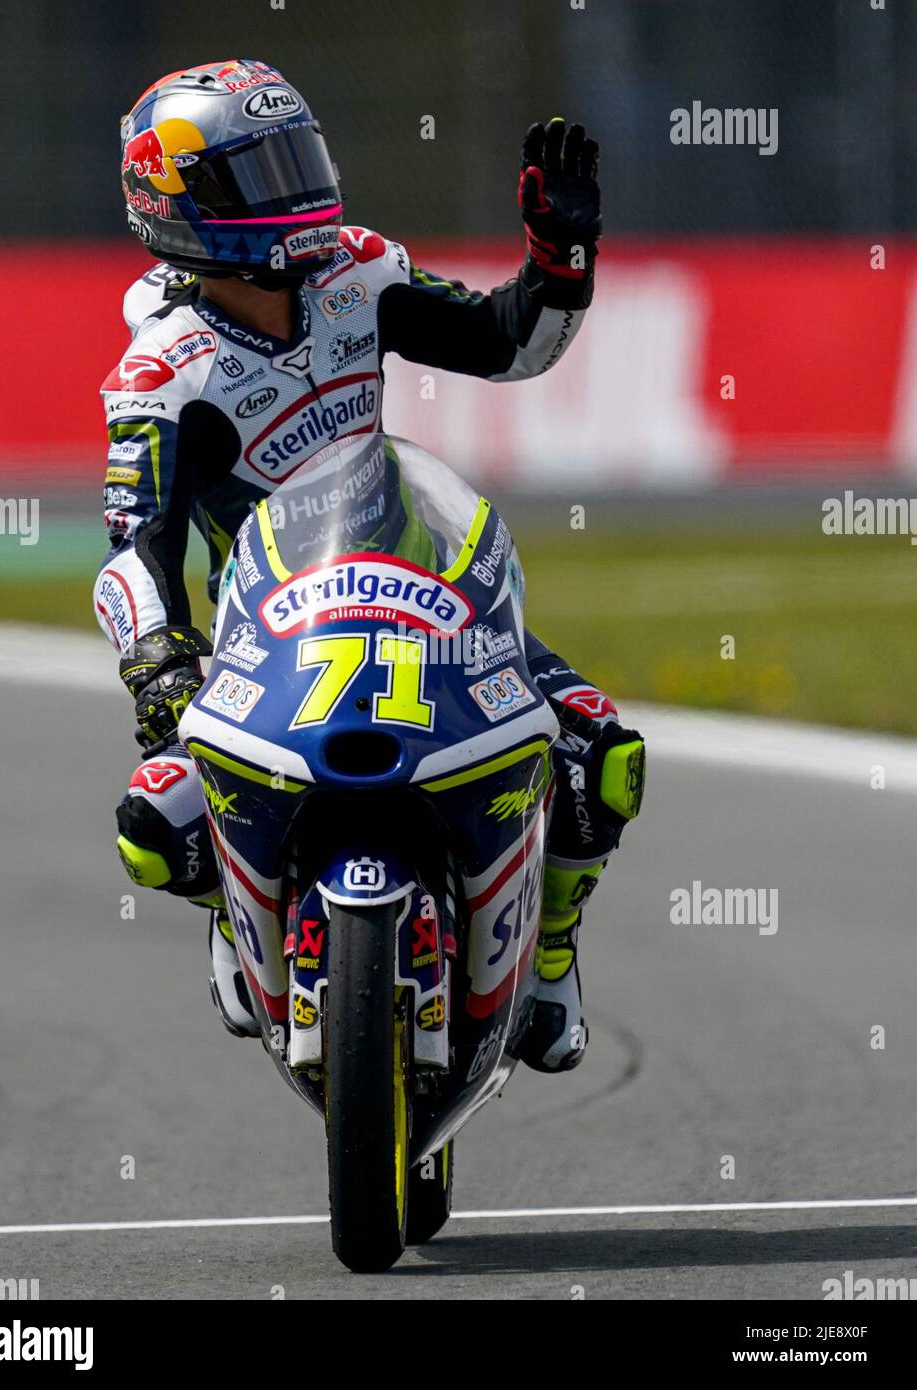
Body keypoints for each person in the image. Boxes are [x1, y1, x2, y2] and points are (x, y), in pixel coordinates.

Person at [96, 57, 644, 1073]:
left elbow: (504, 343)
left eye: (299, 160)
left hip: (428, 595)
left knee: (601, 762)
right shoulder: (160, 374)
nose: (298, 195)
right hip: (271, 637)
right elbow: (133, 549)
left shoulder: (357, 272)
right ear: (181, 205)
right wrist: (159, 665)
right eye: (261, 174)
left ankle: (550, 948)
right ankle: (237, 903)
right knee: (150, 825)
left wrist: (560, 257)